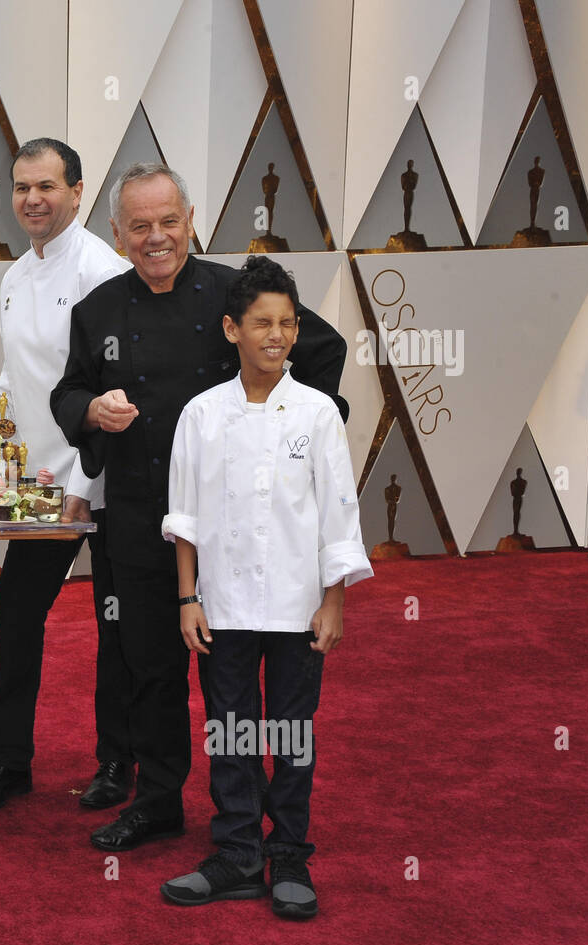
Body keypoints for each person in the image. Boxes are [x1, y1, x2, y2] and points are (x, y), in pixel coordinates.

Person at [50, 163, 348, 851]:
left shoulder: (233, 294)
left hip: (235, 531)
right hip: (137, 519)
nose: (156, 238)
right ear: (117, 234)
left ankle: (247, 816)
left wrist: (301, 424)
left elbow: (320, 348)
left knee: (230, 679)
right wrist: (91, 410)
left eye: (169, 222)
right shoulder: (97, 311)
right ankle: (157, 800)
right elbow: (67, 395)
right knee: (149, 668)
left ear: (190, 220)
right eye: (139, 226)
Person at [158, 255, 371, 917]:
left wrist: (333, 599)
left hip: (299, 606)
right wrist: (188, 598)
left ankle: (289, 856)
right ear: (231, 329)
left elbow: (339, 514)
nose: (275, 335)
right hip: (222, 606)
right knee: (229, 731)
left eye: (286, 323)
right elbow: (185, 516)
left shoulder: (317, 413)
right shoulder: (201, 414)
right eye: (261, 323)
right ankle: (237, 853)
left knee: (291, 733)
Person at [0, 138, 133, 815]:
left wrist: (85, 485)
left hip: (101, 485)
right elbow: (16, 375)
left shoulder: (103, 271)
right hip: (36, 487)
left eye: (47, 187)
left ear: (78, 190)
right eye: (22, 187)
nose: (32, 199)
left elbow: (116, 390)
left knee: (114, 628)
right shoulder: (12, 277)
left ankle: (118, 763)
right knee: (16, 619)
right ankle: (10, 760)